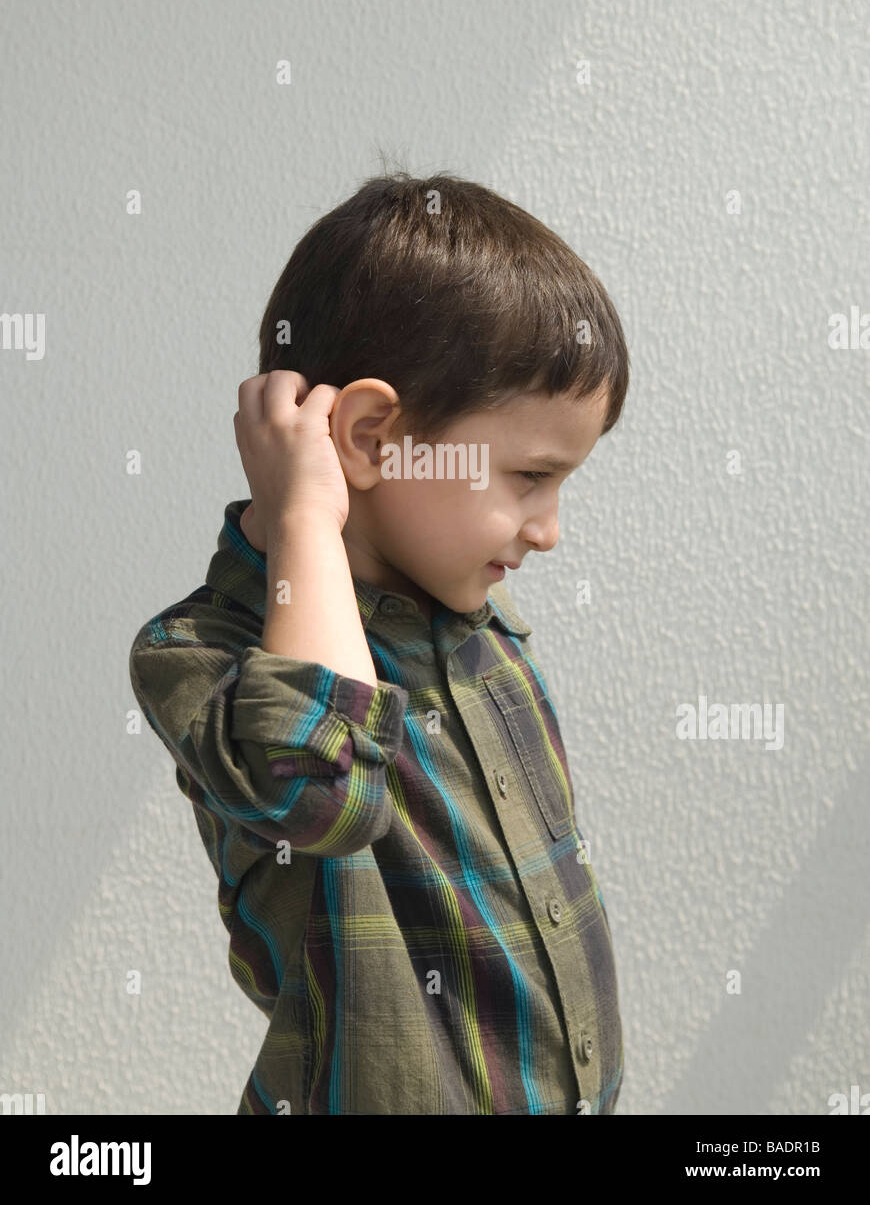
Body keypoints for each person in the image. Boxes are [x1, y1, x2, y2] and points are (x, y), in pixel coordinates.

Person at [128, 169, 631, 1115]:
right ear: (367, 437)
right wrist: (308, 521)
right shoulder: (200, 655)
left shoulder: (485, 643)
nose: (549, 527)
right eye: (528, 475)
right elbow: (326, 796)